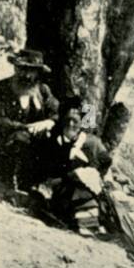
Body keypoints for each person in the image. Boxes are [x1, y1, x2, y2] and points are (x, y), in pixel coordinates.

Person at [0, 48, 60, 189]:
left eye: (31, 71)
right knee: (20, 138)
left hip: (32, 143)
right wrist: (24, 128)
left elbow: (56, 112)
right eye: (23, 69)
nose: (27, 75)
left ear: (38, 73)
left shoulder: (43, 90)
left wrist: (48, 122)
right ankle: (9, 180)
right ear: (15, 68)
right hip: (1, 144)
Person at [32, 95, 114, 236]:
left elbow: (106, 162)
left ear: (82, 123)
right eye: (67, 120)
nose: (70, 125)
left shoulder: (92, 143)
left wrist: (95, 175)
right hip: (61, 191)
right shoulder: (54, 139)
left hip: (84, 193)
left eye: (75, 121)